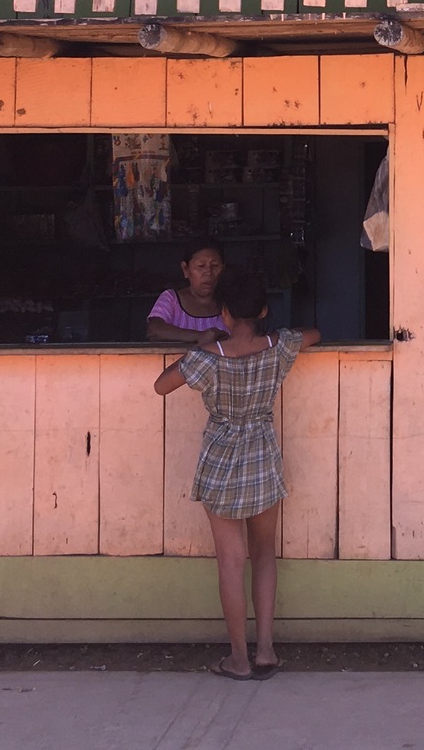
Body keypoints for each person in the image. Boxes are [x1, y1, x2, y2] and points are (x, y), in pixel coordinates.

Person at [153, 267, 321, 680]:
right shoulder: (279, 349)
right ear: (263, 309)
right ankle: (266, 652)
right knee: (264, 555)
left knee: (231, 562)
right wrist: (277, 333)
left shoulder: (207, 359)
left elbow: (161, 385)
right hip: (262, 457)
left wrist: (202, 344)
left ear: (222, 313)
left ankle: (238, 660)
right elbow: (313, 333)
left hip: (221, 463)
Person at [146, 245, 228, 345]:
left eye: (215, 266)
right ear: (185, 269)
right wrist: (200, 336)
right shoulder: (172, 299)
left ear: (223, 269)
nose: (208, 273)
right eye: (201, 266)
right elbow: (154, 331)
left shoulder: (230, 302)